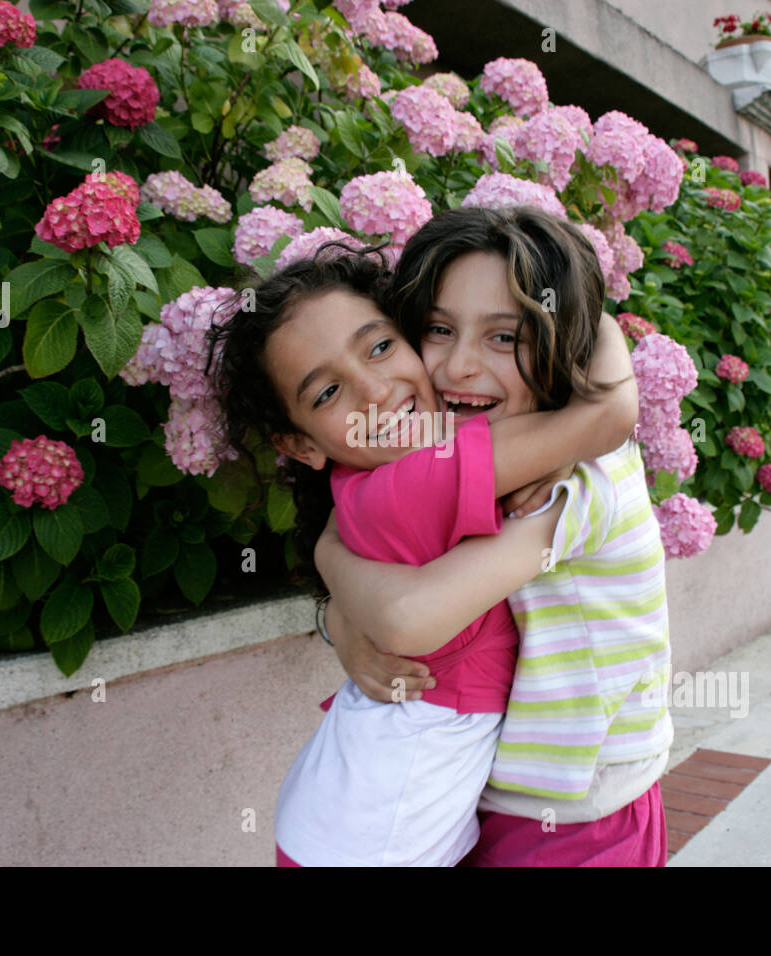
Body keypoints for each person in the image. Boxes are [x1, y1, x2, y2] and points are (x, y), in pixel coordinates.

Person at [207, 238, 637, 866]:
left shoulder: (375, 469)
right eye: (328, 393)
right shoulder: (426, 466)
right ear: (301, 445)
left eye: (380, 347)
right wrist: (593, 319)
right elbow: (608, 416)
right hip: (376, 831)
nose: (376, 392)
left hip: (353, 806)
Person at [315, 206, 671, 866]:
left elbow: (407, 617)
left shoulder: (583, 480)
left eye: (505, 338)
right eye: (438, 329)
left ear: (566, 341)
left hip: (578, 820)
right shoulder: (464, 448)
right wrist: (342, 616)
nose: (459, 368)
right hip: (482, 794)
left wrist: (329, 560)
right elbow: (371, 524)